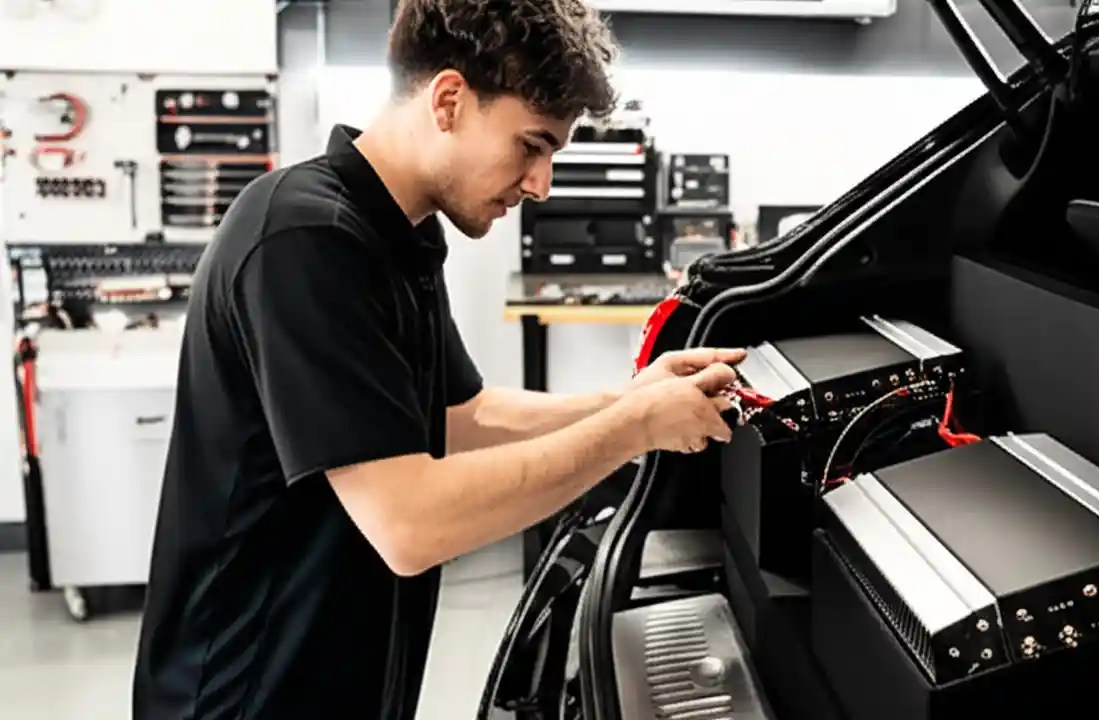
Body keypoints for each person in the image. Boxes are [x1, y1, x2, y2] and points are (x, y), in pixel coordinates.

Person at [130, 1, 741, 718]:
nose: (540, 184)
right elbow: (411, 524)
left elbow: (462, 415)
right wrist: (633, 429)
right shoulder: (304, 241)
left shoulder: (399, 235)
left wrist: (630, 398)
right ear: (449, 99)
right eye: (532, 145)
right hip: (247, 696)